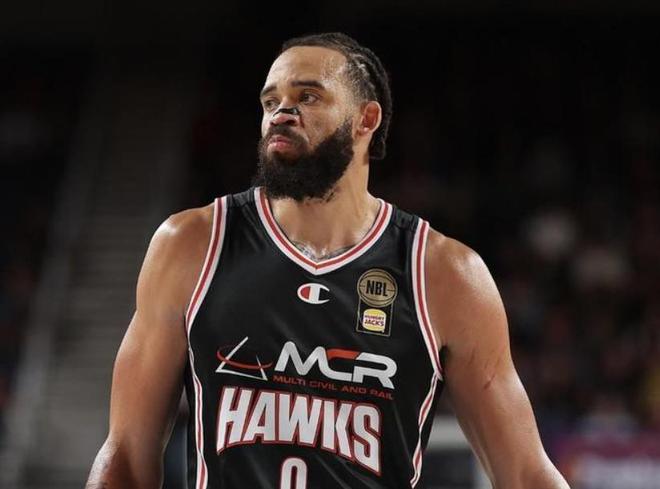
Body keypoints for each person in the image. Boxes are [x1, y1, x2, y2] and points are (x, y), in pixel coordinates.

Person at [85, 32, 569, 489]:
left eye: (308, 96)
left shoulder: (443, 273)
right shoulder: (192, 244)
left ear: (366, 119)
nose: (282, 111)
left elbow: (526, 474)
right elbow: (125, 455)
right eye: (271, 101)